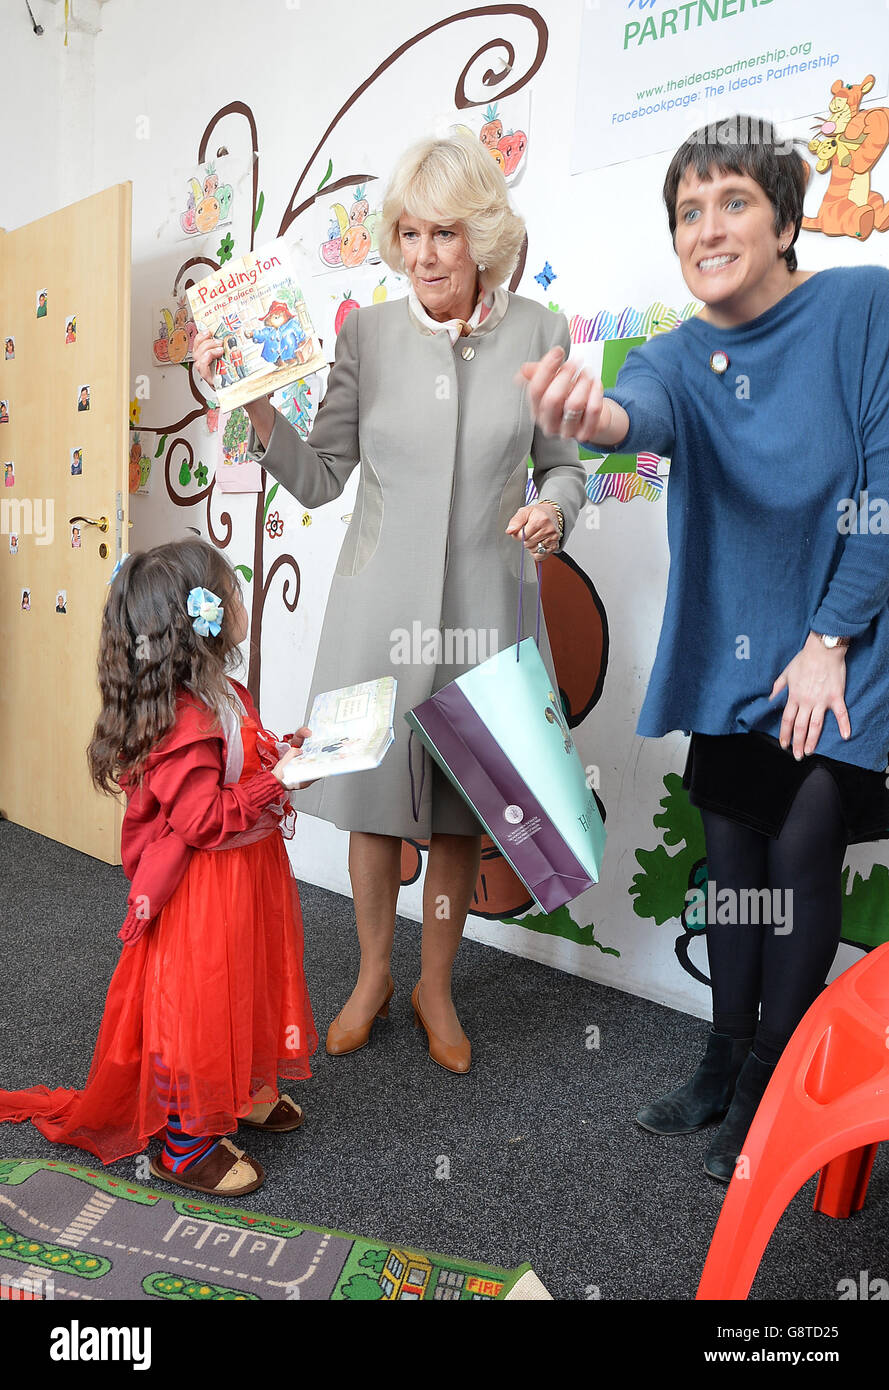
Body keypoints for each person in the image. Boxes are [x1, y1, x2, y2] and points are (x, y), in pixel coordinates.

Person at [520, 116, 889, 1180]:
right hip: (737, 652)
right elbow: (635, 414)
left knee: (800, 846)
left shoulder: (860, 307)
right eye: (688, 210)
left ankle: (774, 1080)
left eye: (733, 202)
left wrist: (830, 638)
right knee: (728, 863)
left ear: (784, 221)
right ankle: (721, 1055)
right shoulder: (681, 353)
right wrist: (588, 417)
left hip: (850, 640)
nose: (707, 227)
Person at [193, 133, 586, 1074]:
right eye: (408, 233)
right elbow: (323, 476)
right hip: (376, 612)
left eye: (443, 234)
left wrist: (553, 511)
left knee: (457, 814)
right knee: (373, 804)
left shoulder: (539, 333)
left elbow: (565, 468)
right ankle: (371, 973)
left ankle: (434, 986)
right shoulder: (366, 335)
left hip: (483, 613)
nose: (423, 255)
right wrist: (254, 407)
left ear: (481, 237)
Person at [0, 539, 318, 1197]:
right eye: (230, 590)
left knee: (249, 981)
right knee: (199, 1002)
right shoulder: (182, 717)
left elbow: (243, 755)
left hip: (247, 873)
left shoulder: (222, 692)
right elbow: (202, 820)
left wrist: (284, 754)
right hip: (206, 890)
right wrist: (275, 784)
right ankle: (182, 1142)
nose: (239, 598)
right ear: (200, 619)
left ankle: (242, 1088)